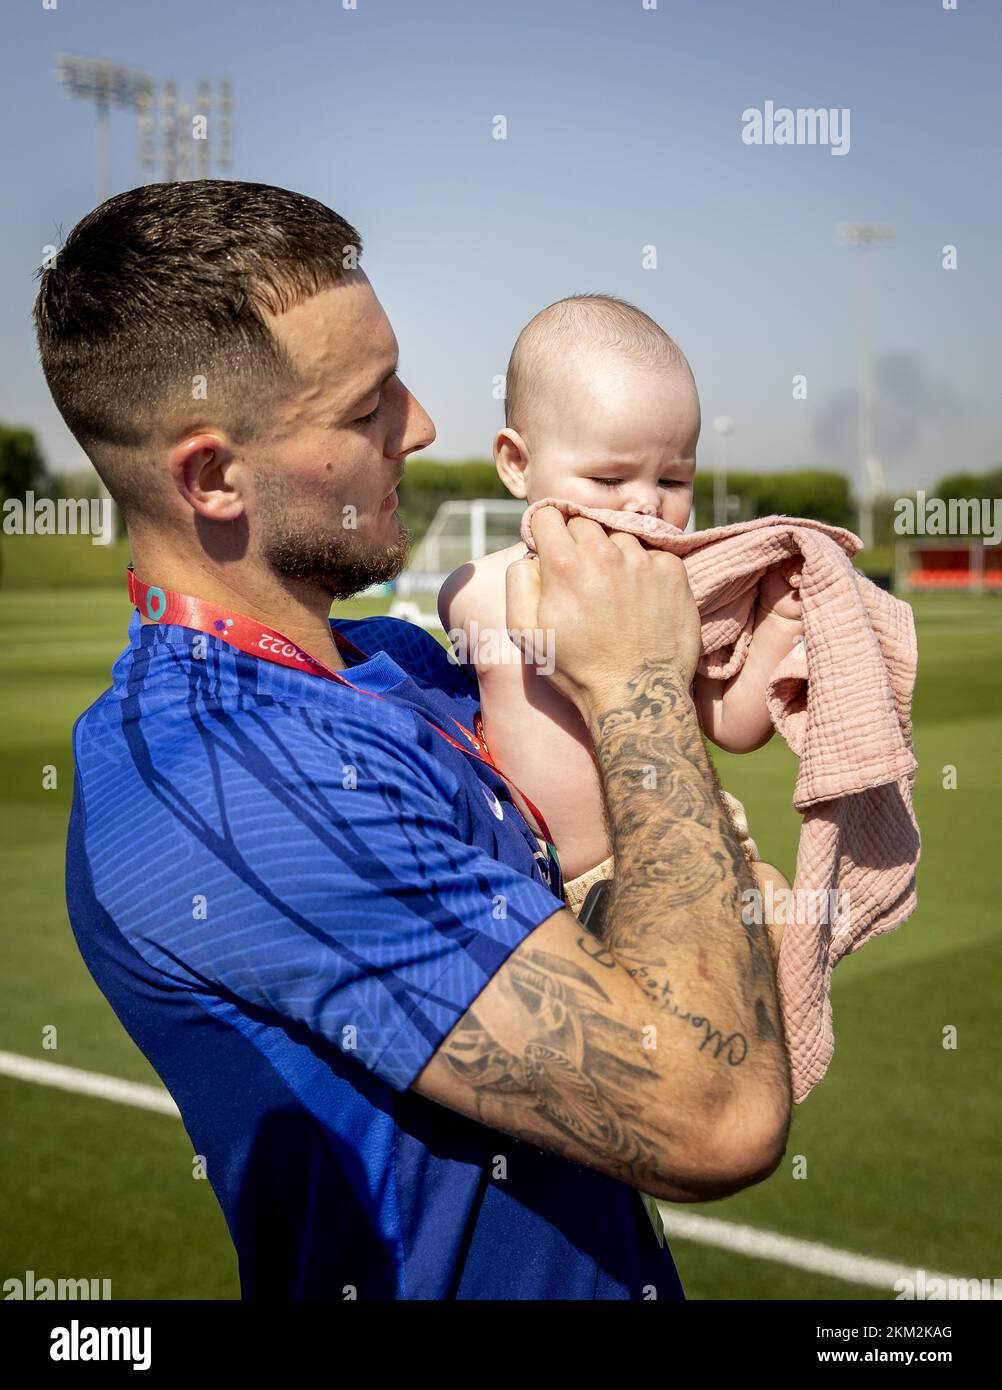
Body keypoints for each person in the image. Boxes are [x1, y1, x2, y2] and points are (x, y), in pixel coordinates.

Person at [35, 179, 791, 1301]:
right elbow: (712, 1112)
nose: (422, 426)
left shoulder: (400, 659)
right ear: (212, 474)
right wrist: (635, 682)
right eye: (368, 405)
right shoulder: (223, 780)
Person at [439, 294, 804, 888]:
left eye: (673, 478)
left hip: (683, 854)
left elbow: (735, 727)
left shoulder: (672, 592)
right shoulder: (474, 588)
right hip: (543, 885)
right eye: (609, 478)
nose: (645, 502)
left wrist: (781, 623)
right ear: (516, 463)